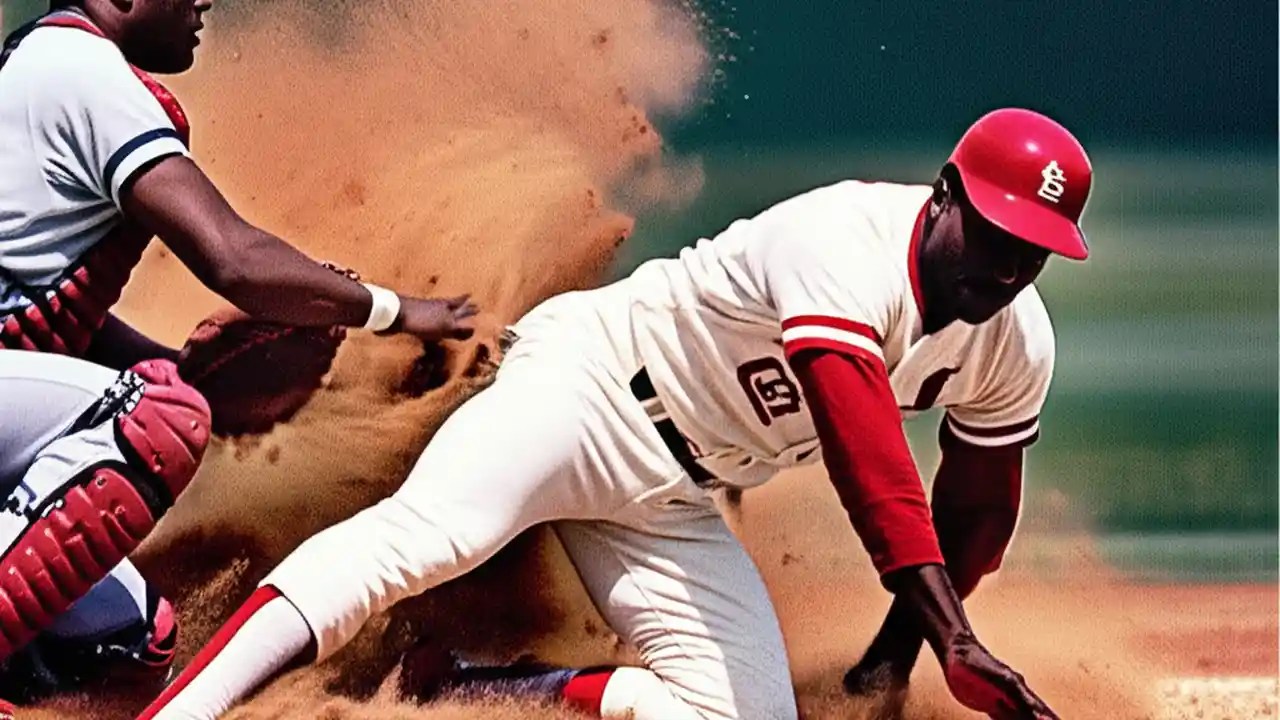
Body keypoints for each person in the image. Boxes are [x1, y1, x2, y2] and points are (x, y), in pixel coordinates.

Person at [139, 106, 1091, 720]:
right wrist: (958, 639)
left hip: (676, 494)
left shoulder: (1015, 340)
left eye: (1035, 252)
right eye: (998, 236)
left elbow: (973, 514)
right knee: (427, 538)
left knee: (742, 719)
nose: (1007, 270)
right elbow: (866, 452)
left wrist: (901, 656)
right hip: (591, 387)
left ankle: (472, 687)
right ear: (945, 196)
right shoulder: (844, 241)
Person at [0, 0, 476, 703]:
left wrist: (192, 374)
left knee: (129, 644)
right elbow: (235, 259)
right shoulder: (82, 72)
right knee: (157, 420)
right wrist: (400, 311)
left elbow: (41, 327)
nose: (203, 2)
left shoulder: (37, 66)